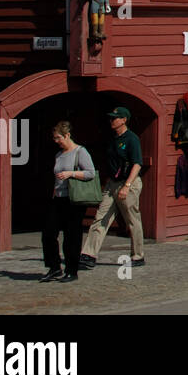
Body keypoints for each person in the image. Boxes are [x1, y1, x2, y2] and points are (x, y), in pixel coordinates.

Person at [80, 106, 144, 270]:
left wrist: (127, 186)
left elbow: (137, 163)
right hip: (112, 183)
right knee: (100, 217)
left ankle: (138, 255)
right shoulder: (111, 139)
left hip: (128, 183)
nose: (111, 121)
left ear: (124, 120)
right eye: (111, 118)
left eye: (115, 118)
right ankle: (89, 254)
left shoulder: (132, 139)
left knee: (132, 220)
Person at [42, 121, 95, 283]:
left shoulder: (80, 152)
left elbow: (90, 173)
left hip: (74, 200)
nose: (56, 141)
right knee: (48, 233)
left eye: (58, 137)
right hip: (58, 198)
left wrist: (70, 173)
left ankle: (72, 270)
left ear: (67, 135)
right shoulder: (59, 155)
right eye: (54, 138)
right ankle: (54, 267)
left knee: (72, 236)